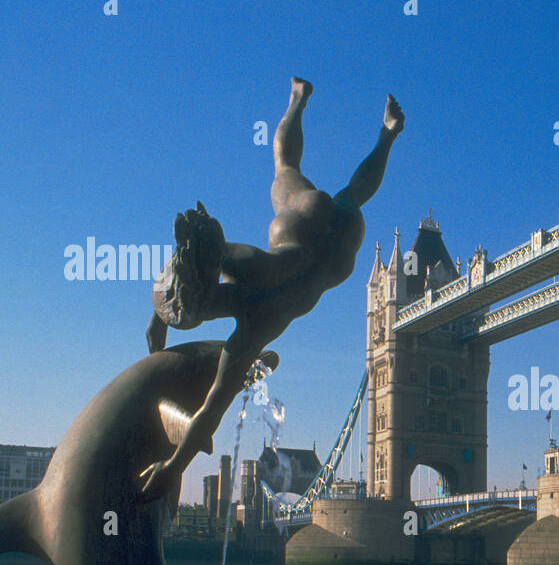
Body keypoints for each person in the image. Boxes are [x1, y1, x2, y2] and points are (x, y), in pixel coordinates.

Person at [140, 78, 403, 502]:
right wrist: (160, 313)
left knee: (350, 195)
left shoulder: (254, 330)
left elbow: (210, 410)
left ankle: (387, 133)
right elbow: (200, 254)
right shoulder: (242, 270)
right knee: (285, 166)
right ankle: (304, 101)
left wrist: (174, 468)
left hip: (336, 255)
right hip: (302, 230)